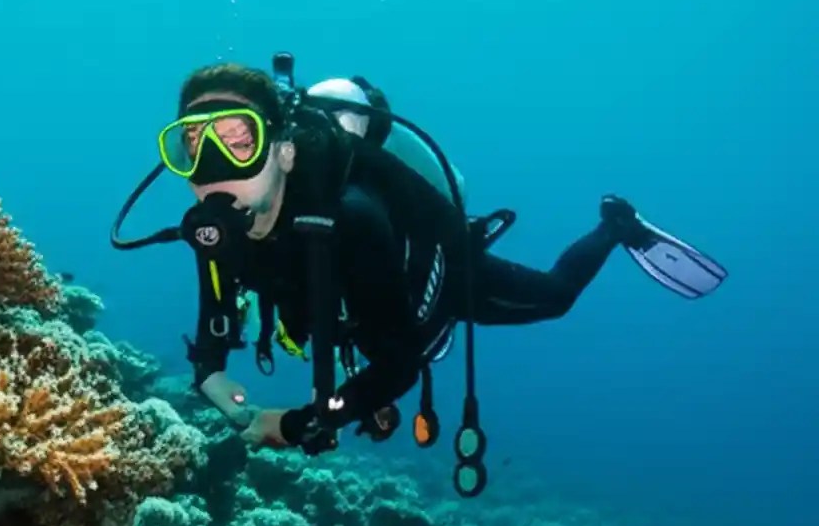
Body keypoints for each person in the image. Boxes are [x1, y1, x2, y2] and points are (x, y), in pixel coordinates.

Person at [110, 53, 727, 496]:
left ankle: (616, 227)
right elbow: (215, 317)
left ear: (285, 151)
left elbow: (400, 364)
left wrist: (296, 423)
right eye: (191, 147)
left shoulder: (350, 220)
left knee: (555, 298)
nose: (213, 168)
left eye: (237, 142)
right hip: (347, 312)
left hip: (425, 275)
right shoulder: (217, 226)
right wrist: (210, 375)